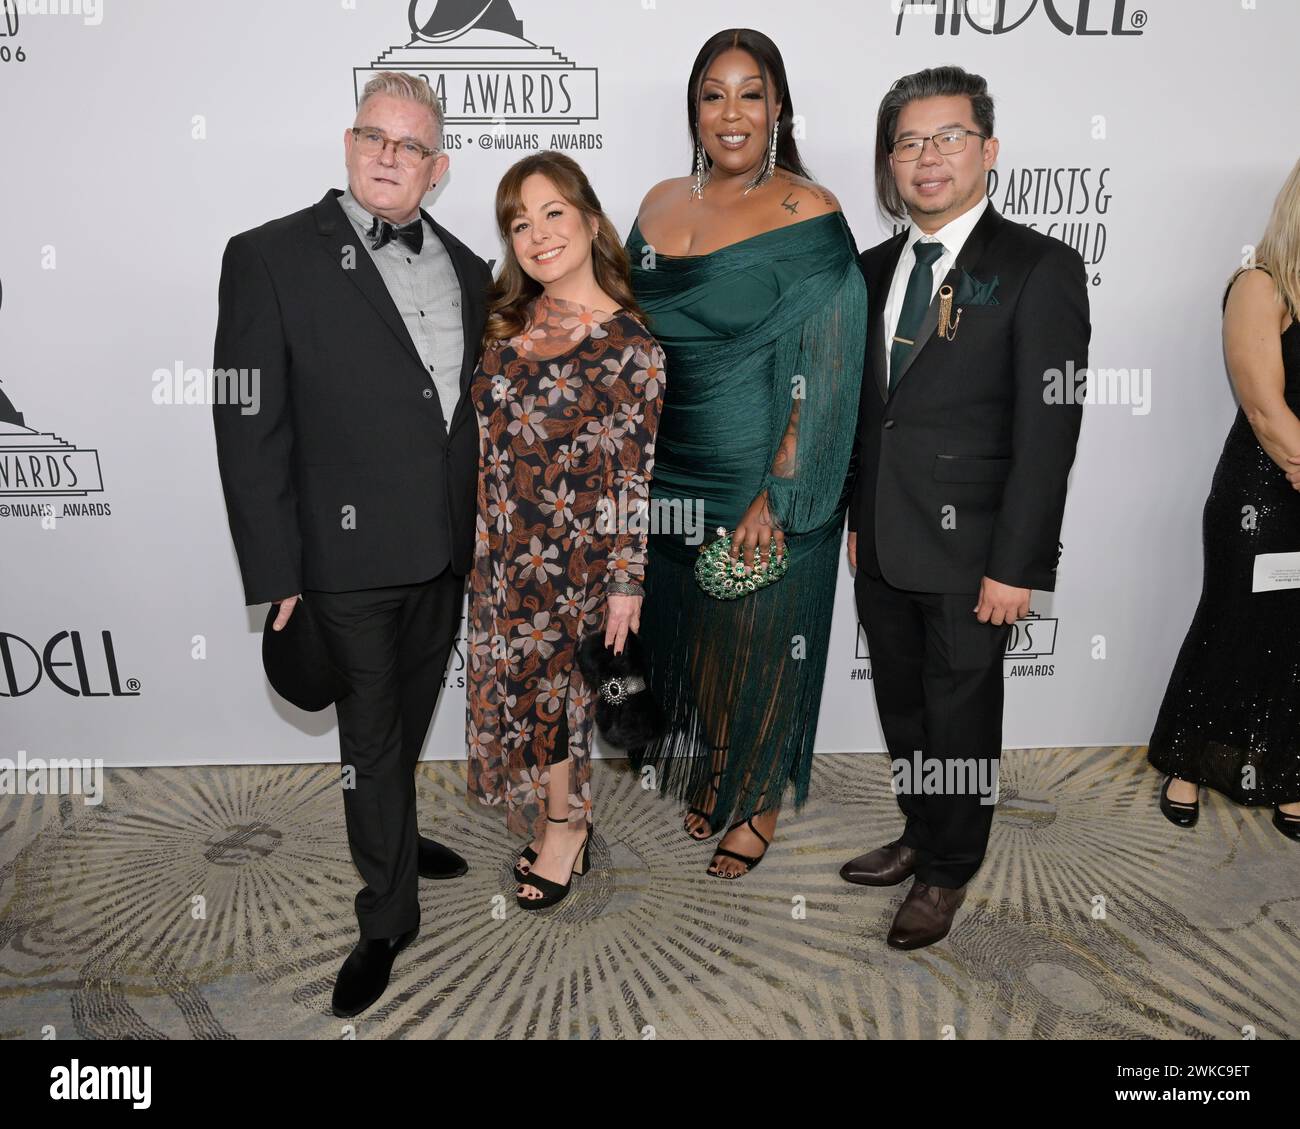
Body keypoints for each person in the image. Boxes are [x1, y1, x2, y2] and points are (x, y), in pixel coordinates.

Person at [212, 73, 491, 1016]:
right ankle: (386, 916)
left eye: (410, 146)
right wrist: (275, 570)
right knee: (370, 739)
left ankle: (397, 838)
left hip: (444, 552)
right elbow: (248, 423)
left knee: (406, 722)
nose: (388, 155)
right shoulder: (269, 256)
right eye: (375, 135)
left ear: (437, 167)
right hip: (343, 559)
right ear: (347, 142)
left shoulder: (472, 266)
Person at [842, 66, 1089, 949]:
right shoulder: (868, 271)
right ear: (891, 163)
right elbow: (872, 412)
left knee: (961, 717)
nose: (927, 157)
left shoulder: (1037, 268)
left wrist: (1016, 565)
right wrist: (855, 518)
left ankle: (950, 868)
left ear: (988, 150)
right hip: (882, 542)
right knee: (905, 710)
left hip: (975, 551)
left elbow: (1049, 429)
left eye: (947, 137)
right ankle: (920, 830)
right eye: (909, 142)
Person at [626, 28, 866, 879]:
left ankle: (757, 798)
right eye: (712, 94)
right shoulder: (656, 203)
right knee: (692, 642)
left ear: (778, 107)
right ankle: (720, 765)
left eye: (750, 92)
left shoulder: (810, 211)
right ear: (693, 109)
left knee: (759, 642)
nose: (731, 113)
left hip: (759, 467)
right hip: (667, 468)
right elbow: (626, 339)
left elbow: (829, 363)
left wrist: (782, 492)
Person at [466, 152, 665, 908]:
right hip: (499, 556)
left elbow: (631, 480)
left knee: (558, 707)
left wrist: (624, 584)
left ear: (588, 219)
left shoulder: (631, 348)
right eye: (520, 221)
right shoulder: (508, 320)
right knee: (520, 697)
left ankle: (567, 831)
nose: (538, 234)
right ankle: (554, 814)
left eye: (554, 213)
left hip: (572, 561)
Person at [1148, 159, 1300, 841]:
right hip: (1261, 499)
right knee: (1234, 625)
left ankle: (1288, 774)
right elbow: (1267, 410)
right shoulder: (1260, 287)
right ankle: (1188, 764)